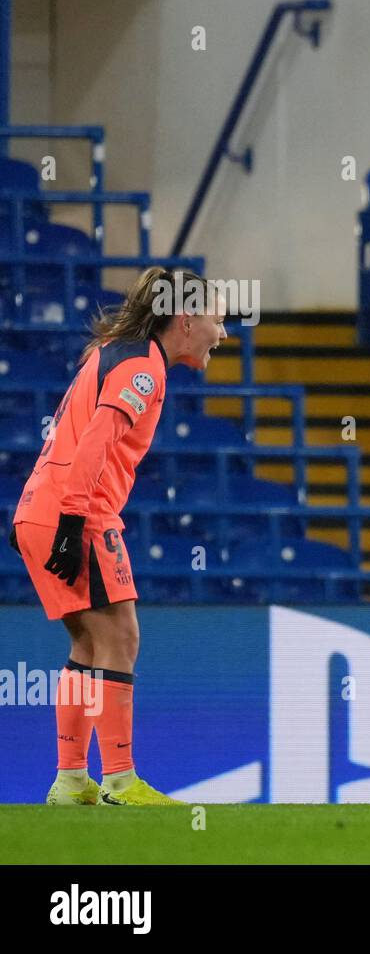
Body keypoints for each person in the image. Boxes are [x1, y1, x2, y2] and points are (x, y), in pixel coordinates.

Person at [8, 266, 227, 806]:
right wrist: (73, 523)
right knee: (121, 637)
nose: (223, 333)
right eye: (217, 320)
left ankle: (70, 781)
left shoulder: (114, 350)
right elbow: (96, 442)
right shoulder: (144, 368)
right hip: (74, 511)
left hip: (38, 508)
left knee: (88, 643)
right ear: (186, 319)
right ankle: (121, 781)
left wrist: (54, 517)